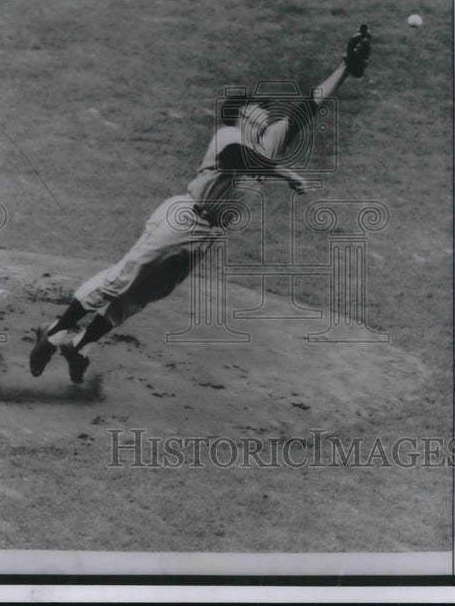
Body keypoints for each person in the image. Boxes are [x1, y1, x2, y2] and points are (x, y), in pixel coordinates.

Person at [29, 26, 371, 383]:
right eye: (258, 111)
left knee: (145, 294)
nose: (267, 115)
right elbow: (241, 159)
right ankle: (53, 331)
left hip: (206, 235)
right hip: (182, 218)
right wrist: (286, 174)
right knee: (122, 278)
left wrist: (345, 67)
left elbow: (309, 106)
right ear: (240, 116)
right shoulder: (227, 136)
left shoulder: (268, 142)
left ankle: (79, 345)